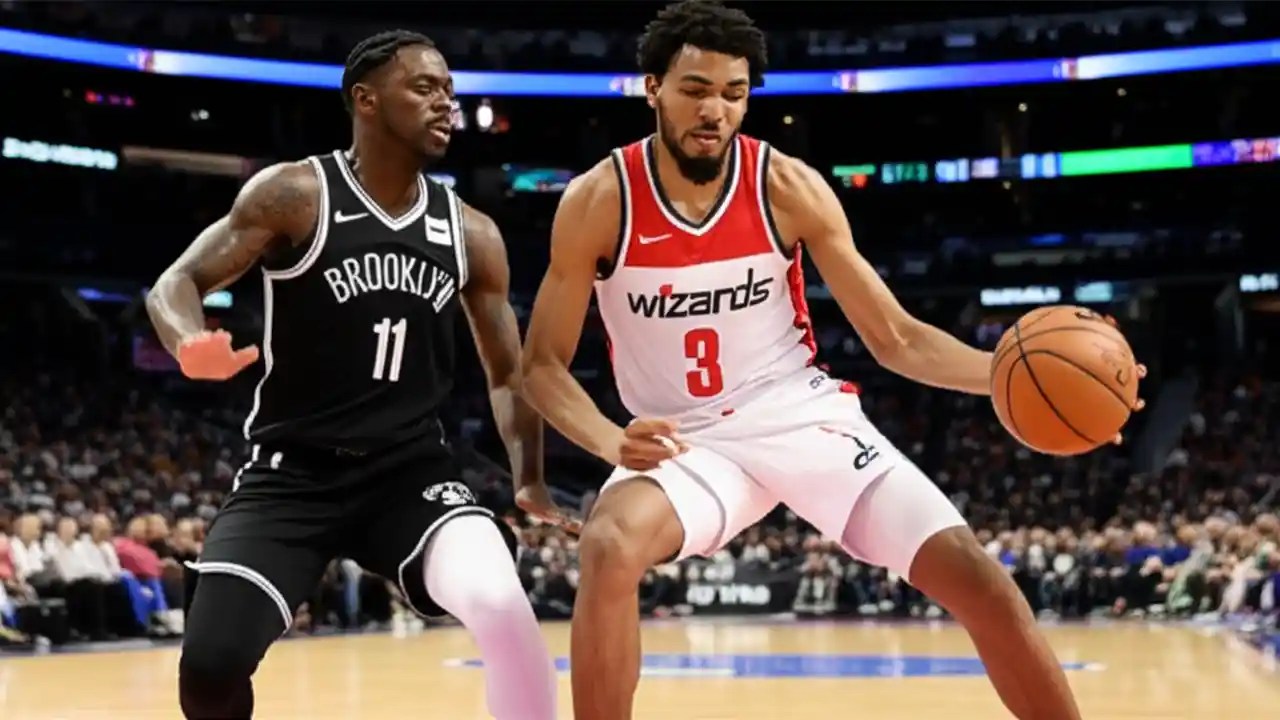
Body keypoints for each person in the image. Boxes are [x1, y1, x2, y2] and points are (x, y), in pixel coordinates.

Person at [521, 2, 1144, 719]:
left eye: (734, 93)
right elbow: (540, 365)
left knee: (983, 582)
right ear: (652, 88)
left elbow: (897, 340)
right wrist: (609, 442)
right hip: (684, 436)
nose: (716, 110)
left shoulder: (786, 185)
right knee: (607, 542)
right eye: (695, 90)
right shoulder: (600, 200)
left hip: (797, 412)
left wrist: (1006, 373)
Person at [145, 30, 576, 720]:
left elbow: (506, 374)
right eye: (426, 88)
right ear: (365, 101)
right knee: (209, 666)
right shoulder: (294, 194)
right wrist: (187, 339)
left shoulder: (471, 232)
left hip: (407, 473)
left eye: (450, 91)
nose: (447, 104)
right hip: (292, 475)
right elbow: (178, 280)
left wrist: (527, 476)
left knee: (502, 606)